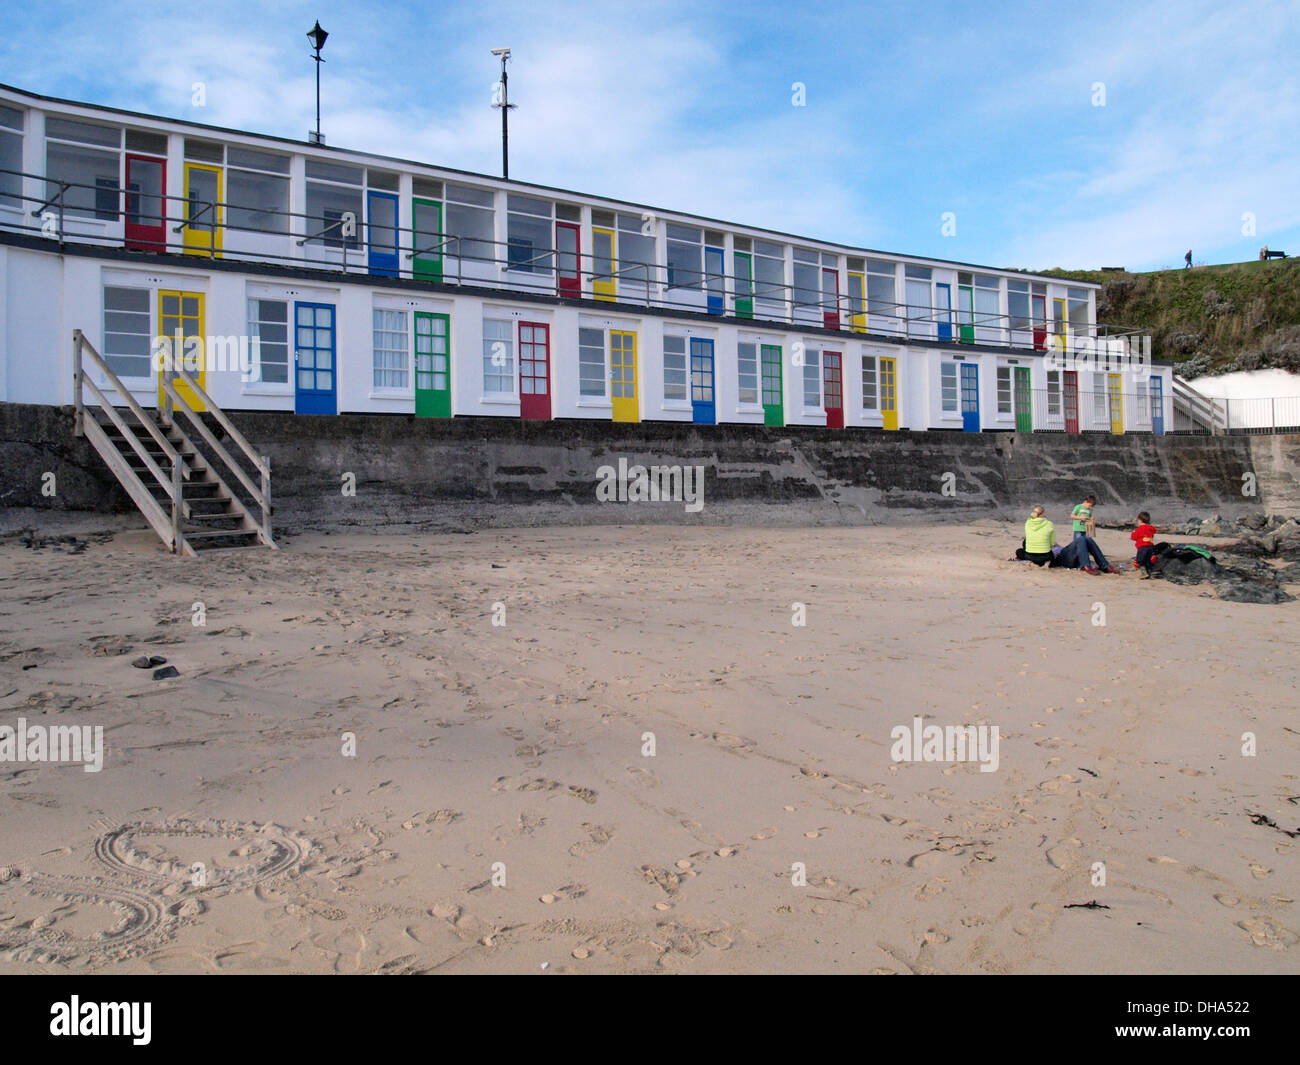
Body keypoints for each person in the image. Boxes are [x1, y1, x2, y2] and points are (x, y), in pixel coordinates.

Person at [1131, 511, 1159, 578]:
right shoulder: (1150, 528)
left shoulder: (1139, 529)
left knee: (1140, 561)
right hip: (1150, 546)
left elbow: (1134, 537)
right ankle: (1149, 572)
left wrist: (1133, 532)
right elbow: (1154, 530)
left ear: (1140, 520)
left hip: (1142, 547)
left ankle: (1144, 573)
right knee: (1147, 560)